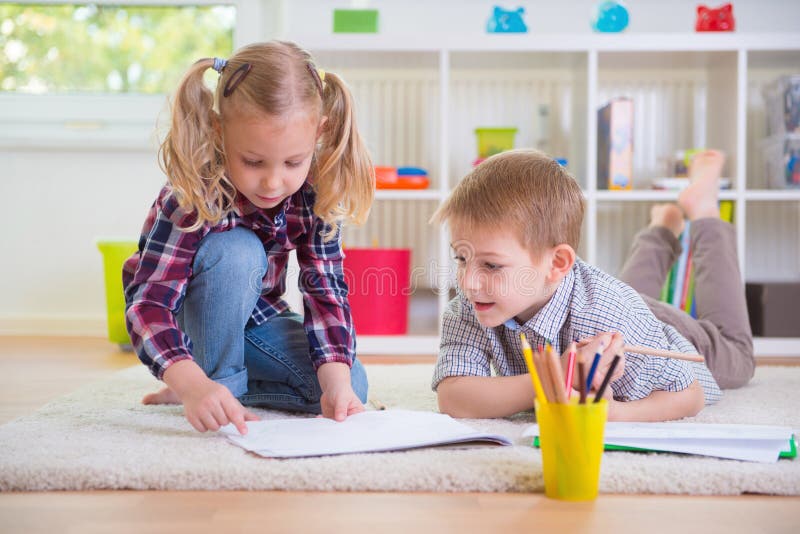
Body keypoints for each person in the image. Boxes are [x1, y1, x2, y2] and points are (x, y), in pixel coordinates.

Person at [123, 41, 375, 436]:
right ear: (220, 131)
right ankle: (206, 381)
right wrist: (191, 382)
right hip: (191, 321)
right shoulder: (194, 193)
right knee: (237, 250)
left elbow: (325, 291)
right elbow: (148, 304)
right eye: (253, 162)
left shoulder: (315, 193)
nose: (274, 182)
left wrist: (337, 384)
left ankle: (214, 386)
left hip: (257, 321)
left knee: (347, 385)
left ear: (319, 134)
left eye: (293, 162)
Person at [430, 149, 753, 422]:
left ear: (556, 264)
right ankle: (662, 227)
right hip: (597, 302)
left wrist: (615, 414)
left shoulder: (610, 312)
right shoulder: (474, 304)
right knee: (620, 301)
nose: (468, 282)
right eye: (461, 258)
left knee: (739, 355)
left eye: (491, 265)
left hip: (664, 334)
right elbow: (454, 398)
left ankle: (705, 210)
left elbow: (690, 394)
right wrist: (559, 373)